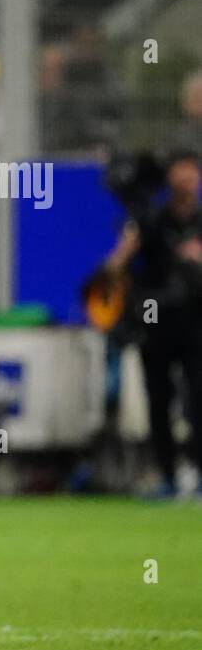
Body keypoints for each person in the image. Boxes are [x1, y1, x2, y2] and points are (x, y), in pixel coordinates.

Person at [123, 151, 202, 497]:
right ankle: (168, 476)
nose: (186, 178)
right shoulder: (151, 221)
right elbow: (122, 268)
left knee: (198, 401)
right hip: (156, 323)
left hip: (197, 321)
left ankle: (199, 475)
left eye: (192, 172)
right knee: (158, 400)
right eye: (180, 171)